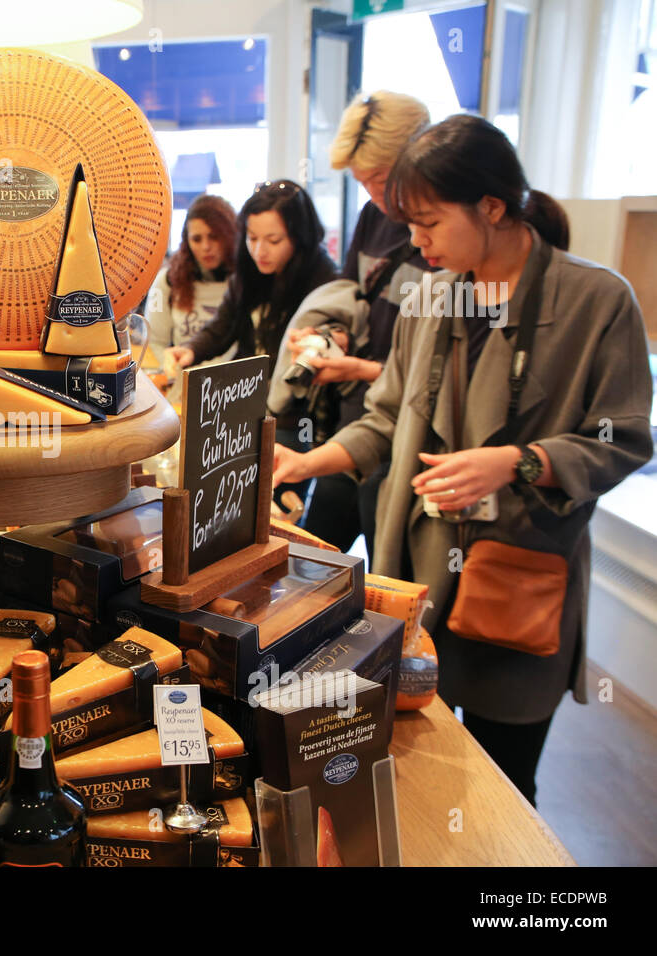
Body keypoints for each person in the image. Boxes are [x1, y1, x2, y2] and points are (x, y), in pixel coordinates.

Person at [272, 115, 653, 805]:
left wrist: (519, 461)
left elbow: (623, 438)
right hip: (415, 580)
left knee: (504, 787)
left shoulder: (597, 301)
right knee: (420, 771)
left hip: (514, 583)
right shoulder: (432, 296)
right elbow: (386, 417)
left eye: (427, 222)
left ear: (493, 206)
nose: (414, 240)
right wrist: (306, 462)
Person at [277, 91, 433, 552]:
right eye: (363, 183)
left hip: (406, 436)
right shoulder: (374, 217)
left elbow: (432, 374)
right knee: (312, 558)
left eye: (380, 180)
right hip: (356, 423)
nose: (375, 196)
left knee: (388, 577)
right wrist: (326, 340)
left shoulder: (447, 241)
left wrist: (362, 370)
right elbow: (352, 300)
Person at [164, 180, 338, 492]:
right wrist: (189, 350)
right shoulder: (248, 271)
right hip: (245, 402)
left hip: (295, 418)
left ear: (299, 237)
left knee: (275, 501)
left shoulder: (323, 279)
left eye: (273, 240)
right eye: (252, 238)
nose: (259, 250)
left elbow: (332, 347)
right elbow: (223, 325)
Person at [145, 194, 238, 359]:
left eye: (214, 237)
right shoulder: (167, 281)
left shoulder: (244, 281)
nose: (206, 247)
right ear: (187, 242)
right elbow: (153, 343)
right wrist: (172, 370)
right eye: (196, 239)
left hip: (235, 381)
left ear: (229, 235)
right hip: (183, 377)